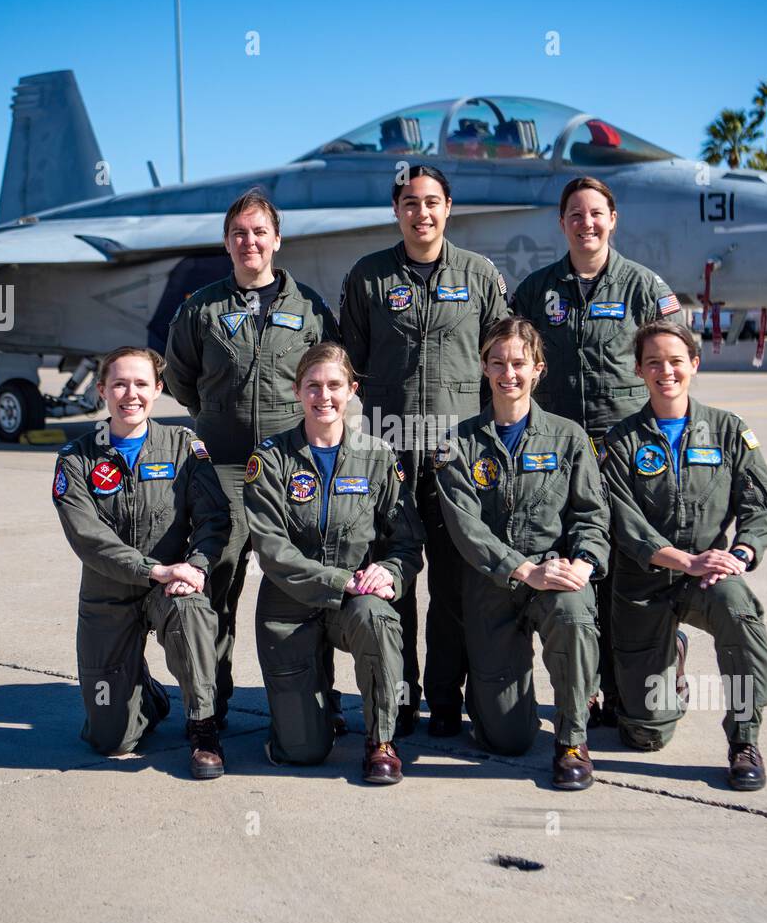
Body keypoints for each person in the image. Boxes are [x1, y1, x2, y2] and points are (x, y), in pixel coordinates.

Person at [339, 165, 509, 738]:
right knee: (394, 575)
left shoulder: (480, 275)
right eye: (411, 203)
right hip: (389, 453)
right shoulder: (368, 278)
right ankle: (399, 695)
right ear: (396, 209)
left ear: (449, 207)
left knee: (456, 581)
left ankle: (444, 698)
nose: (422, 213)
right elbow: (349, 367)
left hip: (453, 452)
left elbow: (499, 365)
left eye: (432, 202)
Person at [511, 176, 685, 726]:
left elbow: (674, 360)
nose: (587, 223)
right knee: (577, 569)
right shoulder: (536, 290)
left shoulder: (641, 286)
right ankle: (584, 687)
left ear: (613, 220)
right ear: (562, 224)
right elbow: (512, 358)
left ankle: (651, 666)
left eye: (596, 213)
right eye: (575, 214)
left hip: (627, 455)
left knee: (630, 571)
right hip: (558, 456)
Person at [165, 189, 340, 730]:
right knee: (218, 584)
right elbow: (180, 378)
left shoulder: (309, 308)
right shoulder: (202, 308)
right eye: (239, 233)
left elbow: (327, 373)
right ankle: (209, 705)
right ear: (227, 242)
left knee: (305, 583)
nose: (250, 242)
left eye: (259, 232)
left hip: (293, 470)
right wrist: (218, 414)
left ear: (277, 240)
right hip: (223, 468)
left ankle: (318, 701)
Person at [600, 321, 767, 789]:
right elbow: (623, 522)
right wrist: (682, 560)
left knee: (739, 610)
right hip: (643, 581)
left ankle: (744, 739)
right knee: (644, 734)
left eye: (676, 361)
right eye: (654, 362)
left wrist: (741, 553)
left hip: (707, 577)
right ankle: (671, 660)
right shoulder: (621, 442)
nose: (666, 371)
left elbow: (761, 504)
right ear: (639, 370)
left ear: (694, 365)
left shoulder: (727, 431)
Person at [435, 318, 610, 790]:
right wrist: (521, 569)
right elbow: (466, 528)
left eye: (519, 363)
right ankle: (499, 696)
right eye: (498, 362)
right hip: (494, 583)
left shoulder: (568, 437)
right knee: (506, 739)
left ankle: (572, 740)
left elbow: (591, 515)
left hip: (555, 573)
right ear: (483, 368)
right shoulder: (458, 443)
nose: (508, 373)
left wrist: (583, 563)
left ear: (538, 369)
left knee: (573, 614)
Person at [243, 343, 425, 783]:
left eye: (334, 386)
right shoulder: (269, 460)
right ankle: (313, 709)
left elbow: (406, 542)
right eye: (313, 386)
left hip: (354, 604)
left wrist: (391, 572)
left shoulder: (378, 457)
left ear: (352, 390)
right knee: (302, 751)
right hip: (289, 608)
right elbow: (272, 550)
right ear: (297, 390)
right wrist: (343, 580)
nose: (323, 396)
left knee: (378, 615)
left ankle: (381, 741)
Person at [51, 347, 230, 779]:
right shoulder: (76, 458)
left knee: (191, 613)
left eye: (141, 384)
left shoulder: (184, 447)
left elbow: (214, 518)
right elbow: (89, 540)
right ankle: (147, 693)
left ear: (158, 389)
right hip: (107, 596)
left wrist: (197, 568)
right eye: (119, 384)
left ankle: (203, 730)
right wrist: (154, 568)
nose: (130, 394)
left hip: (168, 589)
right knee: (110, 741)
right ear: (102, 390)